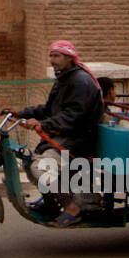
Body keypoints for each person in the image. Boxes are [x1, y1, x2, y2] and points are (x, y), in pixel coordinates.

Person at [15, 39, 103, 227]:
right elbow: (50, 109)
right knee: (30, 161)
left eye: (57, 56)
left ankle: (71, 208)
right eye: (51, 56)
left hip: (78, 140)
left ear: (69, 58)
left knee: (41, 167)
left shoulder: (80, 81)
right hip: (66, 137)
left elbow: (73, 116)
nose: (52, 60)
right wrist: (21, 113)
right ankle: (51, 205)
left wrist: (42, 124)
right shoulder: (64, 78)